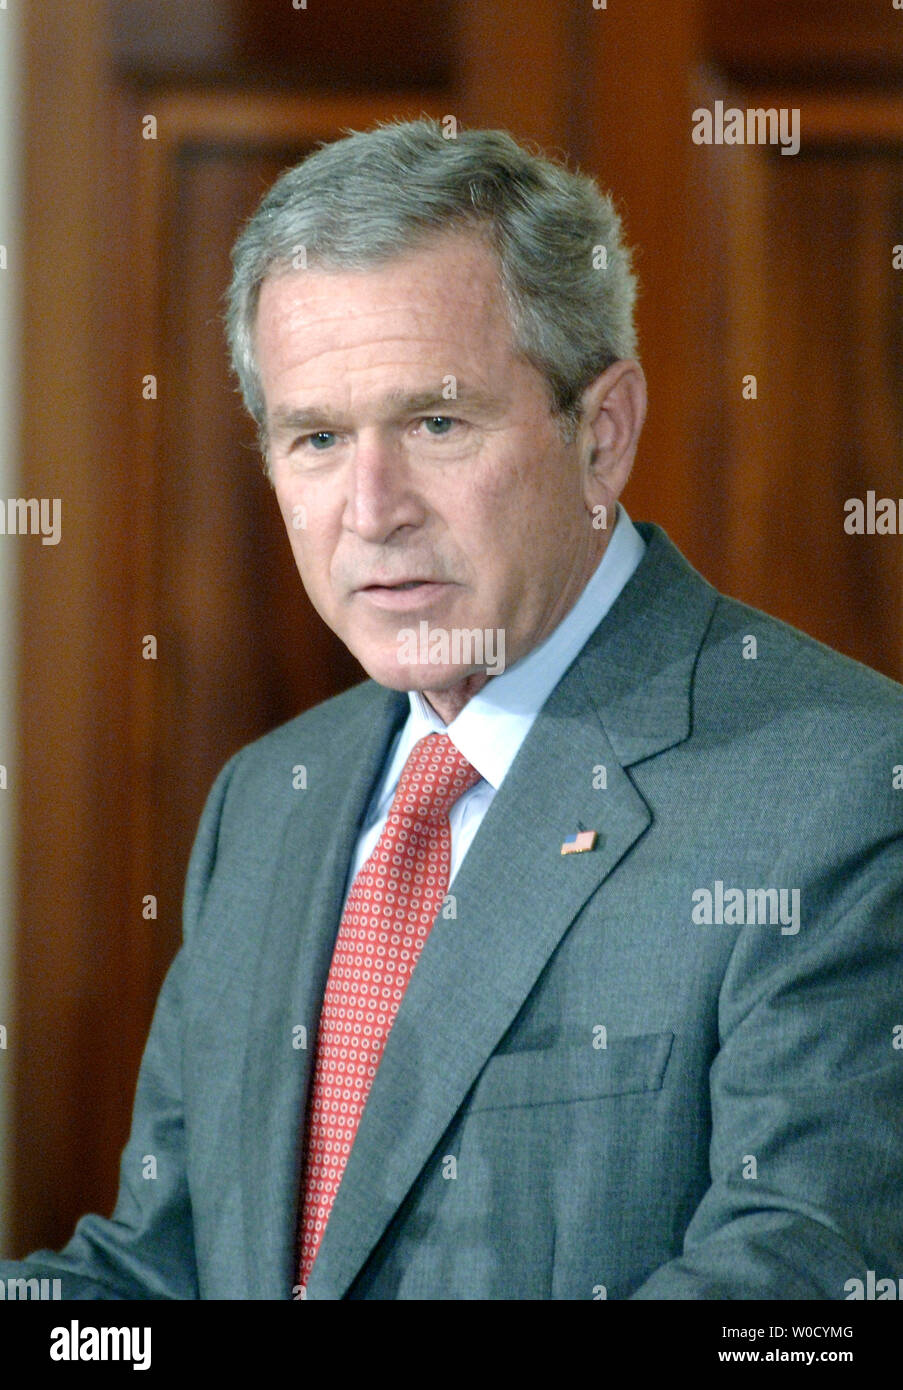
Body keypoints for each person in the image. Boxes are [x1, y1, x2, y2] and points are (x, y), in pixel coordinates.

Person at [2, 119, 901, 1300]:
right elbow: (164, 1271)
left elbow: (796, 1293)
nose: (371, 510)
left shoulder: (840, 789)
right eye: (317, 437)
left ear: (603, 433)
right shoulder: (268, 796)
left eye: (436, 423)